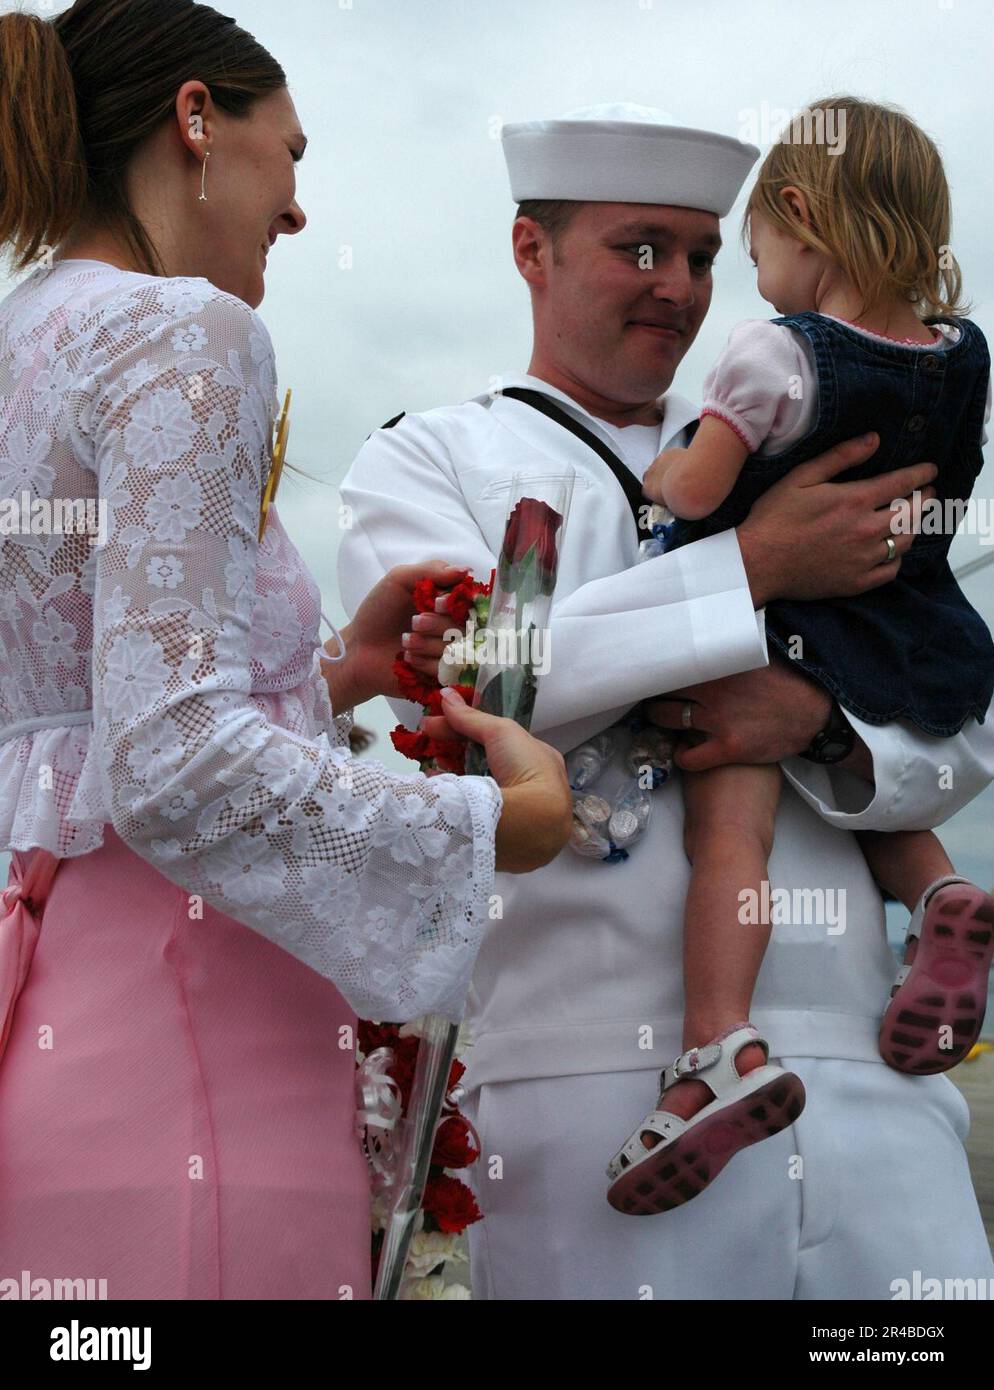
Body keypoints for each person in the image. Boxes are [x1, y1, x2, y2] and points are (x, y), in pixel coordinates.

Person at [338, 102, 994, 1299]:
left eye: (700, 257)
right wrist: (750, 569)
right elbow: (478, 711)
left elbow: (960, 718)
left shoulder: (790, 437)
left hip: (874, 1080)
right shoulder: (431, 456)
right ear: (530, 251)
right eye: (640, 248)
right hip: (596, 1096)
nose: (680, 288)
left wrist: (827, 730)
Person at [0, 0, 571, 1301]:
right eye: (293, 154)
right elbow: (173, 765)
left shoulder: (21, 343)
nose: (299, 207)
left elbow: (83, 725)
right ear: (196, 120)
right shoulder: (182, 332)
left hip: (55, 1037)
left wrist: (340, 675)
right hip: (204, 1045)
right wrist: (493, 823)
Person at [605, 96, 994, 1216]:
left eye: (750, 248)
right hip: (908, 620)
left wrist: (660, 475)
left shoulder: (776, 353)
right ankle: (941, 893)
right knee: (885, 806)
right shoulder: (960, 354)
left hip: (776, 623)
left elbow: (701, 489)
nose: (746, 276)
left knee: (736, 832)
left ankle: (717, 1041)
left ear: (795, 213)